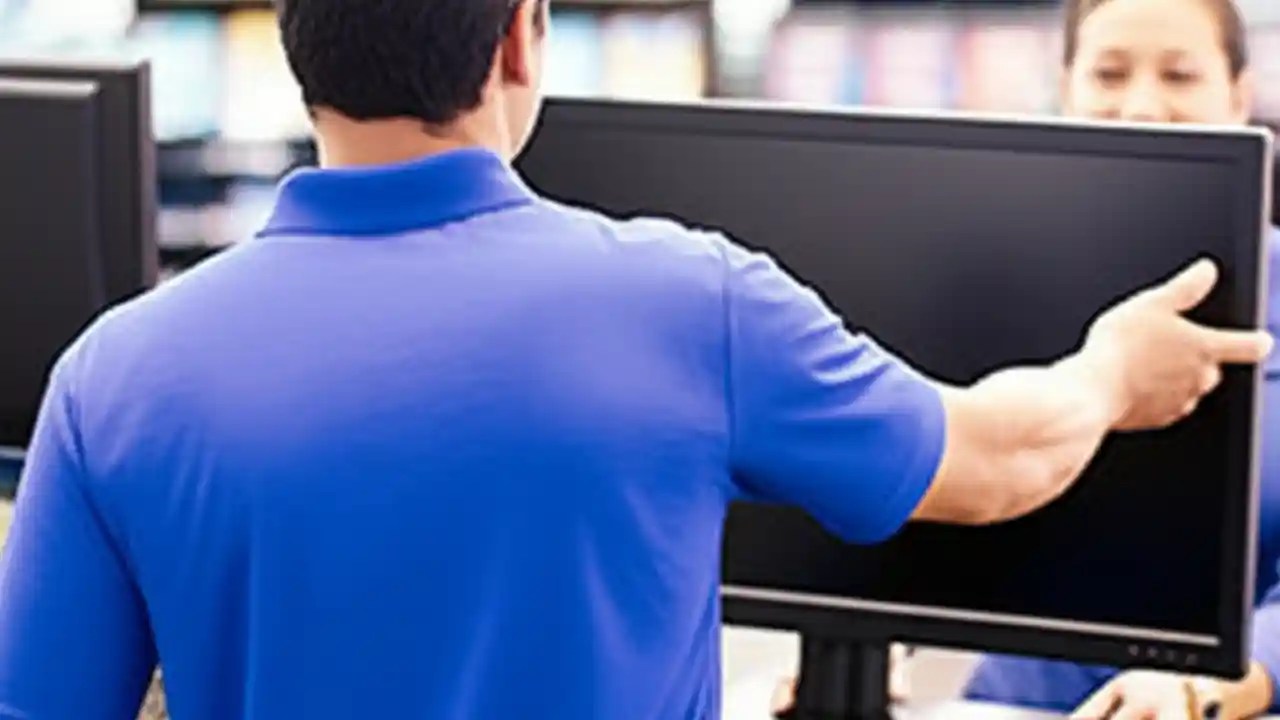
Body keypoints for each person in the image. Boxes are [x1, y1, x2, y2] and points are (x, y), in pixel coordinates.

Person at [0, 1, 1270, 719]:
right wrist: (1111, 368)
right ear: (519, 40)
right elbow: (1002, 461)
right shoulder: (685, 304)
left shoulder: (113, 379)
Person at [963, 0, 1280, 718]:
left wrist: (1210, 689)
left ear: (1237, 96)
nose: (1141, 106)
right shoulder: (990, 287)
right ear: (1066, 88)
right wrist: (854, 655)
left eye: (1179, 75)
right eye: (1108, 74)